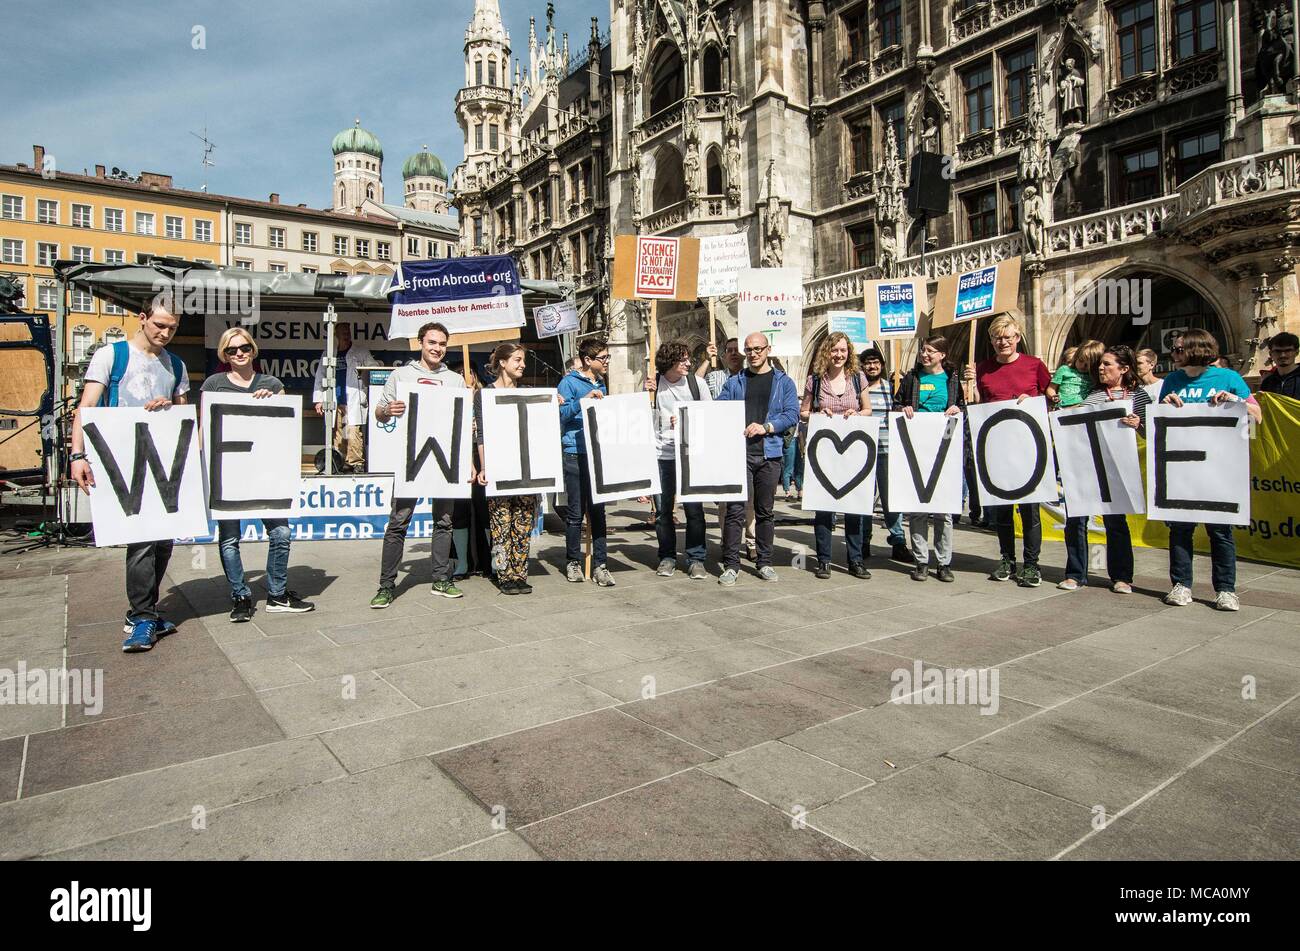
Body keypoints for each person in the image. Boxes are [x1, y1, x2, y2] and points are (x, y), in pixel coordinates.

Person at [70, 299, 189, 652]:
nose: (165, 333)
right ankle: (141, 617)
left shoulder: (176, 365)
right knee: (141, 540)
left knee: (163, 541)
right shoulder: (112, 355)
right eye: (159, 325)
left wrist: (168, 407)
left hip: (162, 463)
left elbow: (182, 417)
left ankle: (145, 612)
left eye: (172, 328)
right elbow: (86, 407)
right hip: (122, 460)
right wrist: (77, 455)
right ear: (142, 318)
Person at [201, 328, 315, 621]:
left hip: (265, 473)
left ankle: (277, 594)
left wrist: (272, 401)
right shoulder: (214, 384)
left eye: (243, 347)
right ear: (224, 355)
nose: (238, 353)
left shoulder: (272, 384)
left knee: (281, 532)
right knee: (229, 538)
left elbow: (283, 430)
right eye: (231, 350)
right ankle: (240, 595)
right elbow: (205, 429)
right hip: (229, 474)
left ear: (253, 349)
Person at [1158, 329, 1262, 612]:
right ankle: (1181, 584)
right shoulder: (1172, 381)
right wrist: (1165, 404)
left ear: (1196, 349)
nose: (1174, 354)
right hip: (1182, 471)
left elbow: (1257, 416)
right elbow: (1160, 424)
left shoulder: (1229, 378)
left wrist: (1234, 401)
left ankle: (1226, 589)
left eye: (1179, 349)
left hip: (1217, 470)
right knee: (1180, 529)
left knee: (1220, 532)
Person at [370, 322, 470, 608]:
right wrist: (388, 410)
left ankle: (441, 579)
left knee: (444, 521)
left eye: (442, 344)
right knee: (399, 521)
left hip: (443, 461)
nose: (437, 348)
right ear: (420, 343)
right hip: (411, 460)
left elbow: (461, 426)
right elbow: (379, 412)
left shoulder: (455, 380)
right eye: (432, 343)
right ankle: (386, 585)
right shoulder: (401, 375)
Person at [964, 313, 1052, 587]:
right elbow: (978, 405)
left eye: (1008, 337)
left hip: (1027, 447)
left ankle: (1031, 564)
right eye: (997, 338)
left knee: (1030, 511)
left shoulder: (1034, 365)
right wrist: (971, 386)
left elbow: (1051, 399)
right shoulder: (982, 369)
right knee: (1001, 510)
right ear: (990, 340)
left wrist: (1034, 400)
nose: (1002, 342)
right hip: (996, 448)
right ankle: (1007, 559)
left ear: (1017, 339)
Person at [1058, 346, 1150, 594]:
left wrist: (1139, 423)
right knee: (1076, 520)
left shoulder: (1139, 397)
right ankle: (1075, 573)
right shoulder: (1093, 396)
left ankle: (1121, 577)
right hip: (1087, 466)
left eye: (1107, 364)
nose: (1101, 368)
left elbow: (1155, 432)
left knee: (1115, 521)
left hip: (1117, 470)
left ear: (1124, 368)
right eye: (1100, 364)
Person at [717, 333, 799, 585]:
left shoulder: (783, 382)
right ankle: (731, 565)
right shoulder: (734, 382)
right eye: (749, 349)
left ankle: (764, 562)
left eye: (758, 349)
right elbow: (717, 410)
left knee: (765, 512)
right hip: (739, 454)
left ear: (768, 349)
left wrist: (768, 426)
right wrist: (688, 416)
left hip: (769, 454)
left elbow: (792, 414)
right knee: (735, 511)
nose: (753, 354)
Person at [801, 332, 872, 580]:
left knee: (854, 508)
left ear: (849, 352)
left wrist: (856, 414)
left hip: (852, 450)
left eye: (843, 350)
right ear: (826, 352)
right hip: (825, 452)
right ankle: (824, 560)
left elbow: (868, 410)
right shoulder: (815, 381)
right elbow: (804, 412)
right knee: (824, 508)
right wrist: (821, 412)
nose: (839, 355)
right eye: (834, 350)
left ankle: (855, 560)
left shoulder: (858, 379)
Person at [895, 335, 965, 582]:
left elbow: (961, 409)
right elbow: (897, 406)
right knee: (918, 511)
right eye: (923, 351)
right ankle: (921, 561)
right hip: (917, 448)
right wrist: (904, 408)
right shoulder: (912, 378)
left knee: (943, 512)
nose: (925, 355)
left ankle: (944, 562)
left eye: (931, 351)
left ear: (942, 355)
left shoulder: (952, 380)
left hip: (943, 449)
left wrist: (957, 409)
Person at [645, 340, 712, 579]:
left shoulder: (697, 384)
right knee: (663, 511)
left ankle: (696, 558)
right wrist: (644, 393)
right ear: (670, 362)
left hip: (690, 454)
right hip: (661, 455)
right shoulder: (653, 385)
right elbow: (640, 420)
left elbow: (711, 417)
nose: (688, 362)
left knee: (695, 509)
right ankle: (667, 556)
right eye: (683, 359)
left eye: (687, 359)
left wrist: (688, 420)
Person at [474, 343, 538, 595]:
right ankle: (504, 574)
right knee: (501, 523)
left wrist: (552, 403)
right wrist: (484, 466)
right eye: (517, 360)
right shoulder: (484, 395)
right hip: (499, 467)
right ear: (502, 363)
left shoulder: (529, 393)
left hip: (525, 468)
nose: (522, 365)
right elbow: (482, 434)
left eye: (523, 360)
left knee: (523, 523)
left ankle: (520, 574)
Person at [558, 337, 615, 587]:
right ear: (588, 360)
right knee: (575, 512)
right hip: (574, 452)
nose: (606, 362)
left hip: (597, 452)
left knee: (598, 511)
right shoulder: (568, 383)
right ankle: (573, 561)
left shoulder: (602, 383)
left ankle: (600, 563)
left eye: (607, 357)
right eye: (603, 358)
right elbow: (560, 414)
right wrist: (584, 401)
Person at [860, 346, 911, 564]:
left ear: (881, 365)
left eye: (876, 362)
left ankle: (898, 541)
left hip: (889, 451)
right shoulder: (858, 390)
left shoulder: (892, 389)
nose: (872, 366)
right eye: (868, 363)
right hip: (865, 452)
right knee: (863, 500)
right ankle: (863, 541)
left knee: (892, 500)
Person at [706, 337, 757, 557]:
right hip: (724, 445)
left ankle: (752, 542)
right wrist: (708, 360)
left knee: (751, 499)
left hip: (750, 444)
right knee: (726, 499)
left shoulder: (753, 377)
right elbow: (694, 390)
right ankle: (728, 541)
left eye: (738, 350)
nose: (734, 354)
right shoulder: (715, 377)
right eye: (729, 350)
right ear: (723, 355)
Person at [312, 321, 373, 473]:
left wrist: (363, 371)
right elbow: (320, 376)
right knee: (338, 433)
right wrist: (319, 399)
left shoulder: (360, 352)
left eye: (348, 332)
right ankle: (340, 462)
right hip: (335, 399)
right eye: (343, 333)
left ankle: (356, 463)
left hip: (354, 399)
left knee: (353, 432)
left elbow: (374, 367)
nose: (346, 335)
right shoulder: (328, 353)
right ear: (336, 335)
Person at [1047, 340, 1103, 408]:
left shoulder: (1094, 376)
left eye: (1088, 365)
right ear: (1076, 357)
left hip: (1083, 407)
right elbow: (1051, 388)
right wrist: (1053, 396)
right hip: (1063, 407)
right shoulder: (1064, 370)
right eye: (1081, 361)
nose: (1083, 366)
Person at [1259, 331, 1300, 399]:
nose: (1282, 355)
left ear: (1296, 352)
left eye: (1288, 351)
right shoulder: (1267, 382)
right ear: (1270, 354)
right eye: (1278, 351)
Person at [780, 426, 803, 502]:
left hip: (799, 439)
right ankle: (787, 493)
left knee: (799, 468)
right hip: (790, 439)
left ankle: (800, 492)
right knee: (789, 468)